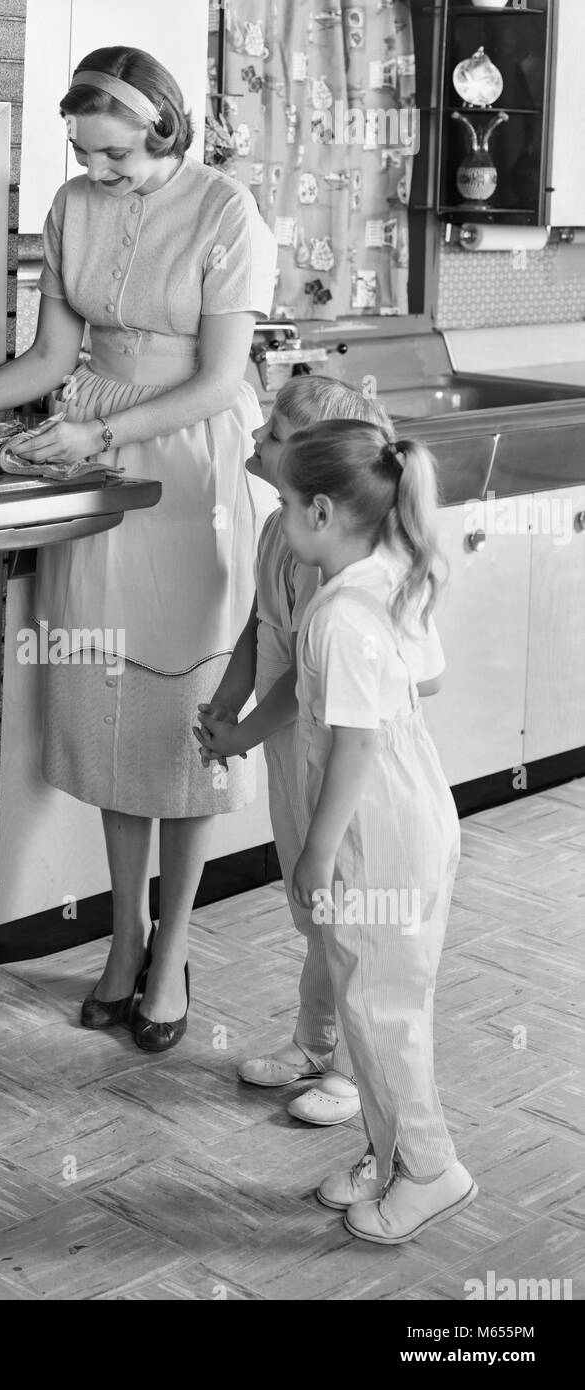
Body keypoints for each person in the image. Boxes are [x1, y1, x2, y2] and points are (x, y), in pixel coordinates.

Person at [0, 46, 277, 1052]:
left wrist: (101, 435)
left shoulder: (227, 213)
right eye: (86, 155)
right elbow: (50, 359)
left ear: (163, 128)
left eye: (116, 157)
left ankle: (173, 945)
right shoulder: (70, 205)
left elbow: (222, 382)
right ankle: (123, 935)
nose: (98, 173)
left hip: (185, 468)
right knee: (106, 710)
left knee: (178, 723)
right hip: (85, 455)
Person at [275, 418, 475, 1243]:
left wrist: (315, 855)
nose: (278, 517)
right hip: (411, 809)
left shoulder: (336, 617)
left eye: (285, 502)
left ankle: (430, 1170)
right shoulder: (385, 574)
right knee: (377, 999)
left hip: (377, 829)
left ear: (321, 512)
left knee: (382, 1006)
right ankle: (389, 1153)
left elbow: (354, 746)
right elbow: (420, 683)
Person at [196, 377, 402, 1128]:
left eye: (274, 433)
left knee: (342, 909)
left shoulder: (330, 560)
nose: (255, 439)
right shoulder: (281, 528)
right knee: (316, 910)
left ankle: (350, 1067)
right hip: (293, 751)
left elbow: (311, 687)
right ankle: (314, 1043)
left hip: (328, 750)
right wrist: (227, 701)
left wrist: (243, 735)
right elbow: (260, 630)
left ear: (318, 470)